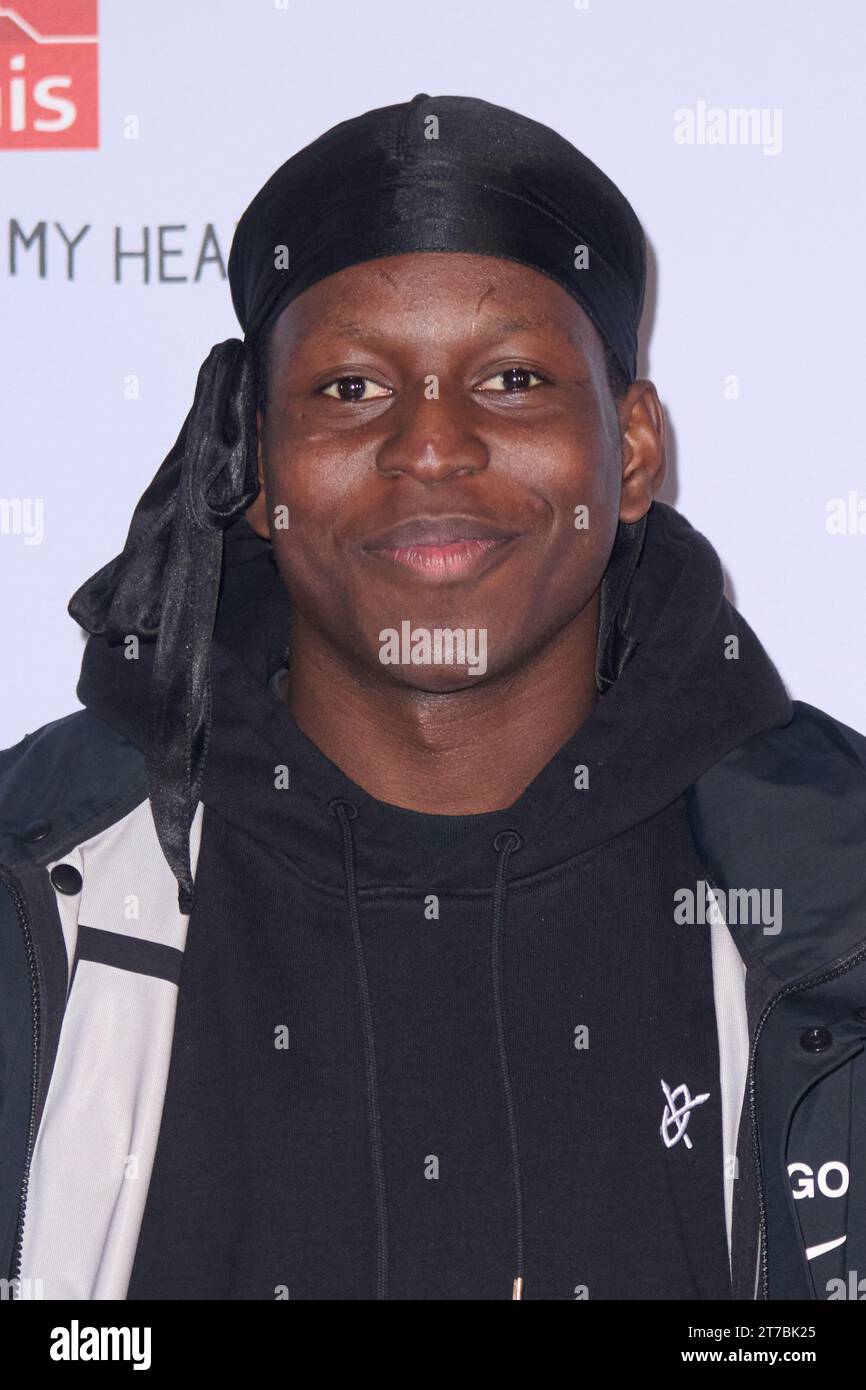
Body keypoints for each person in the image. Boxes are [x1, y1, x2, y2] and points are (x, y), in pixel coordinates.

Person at [1, 93, 864, 1303]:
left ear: (629, 451)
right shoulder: (32, 880)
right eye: (351, 390)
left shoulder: (836, 884)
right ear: (254, 464)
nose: (431, 445)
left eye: (510, 378)